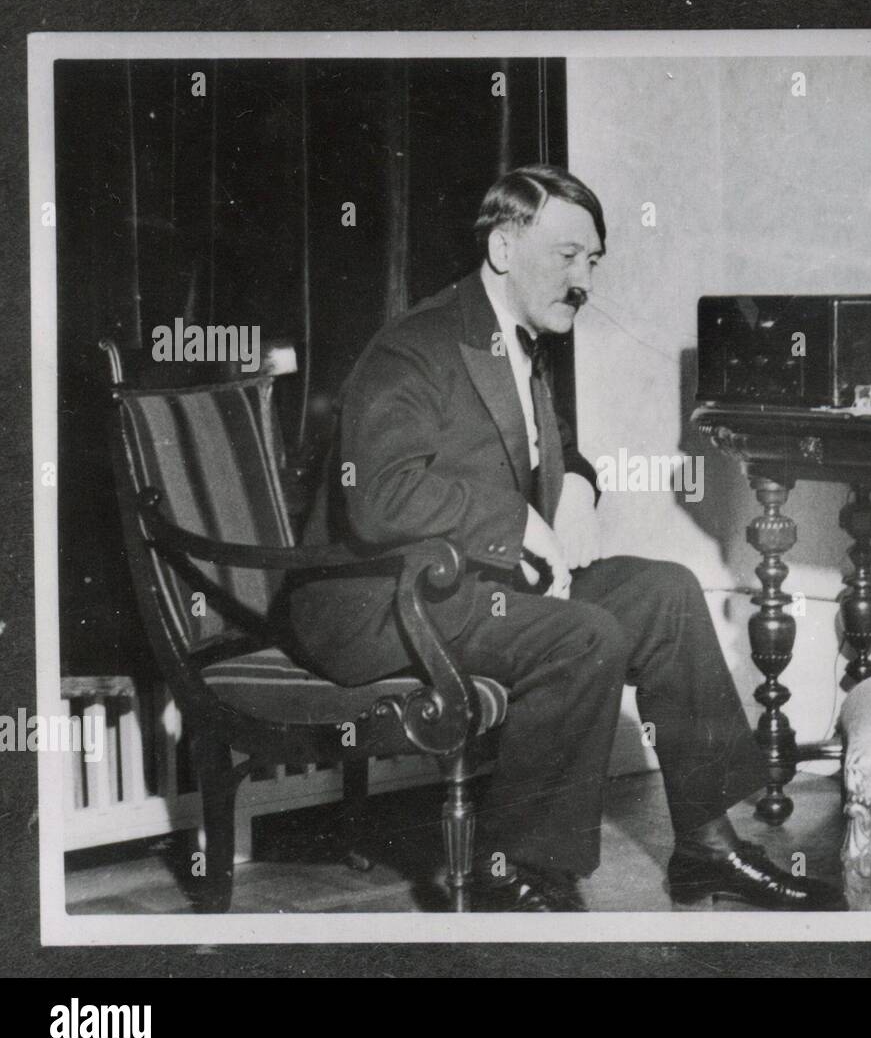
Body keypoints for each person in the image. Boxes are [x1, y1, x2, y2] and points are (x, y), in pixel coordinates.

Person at [285, 164, 840, 912]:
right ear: (505, 248)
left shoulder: (523, 340)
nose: (583, 280)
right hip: (386, 599)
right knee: (582, 636)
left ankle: (708, 846)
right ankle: (515, 869)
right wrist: (514, 524)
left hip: (473, 584)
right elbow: (377, 495)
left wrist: (578, 481)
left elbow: (543, 448)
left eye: (593, 261)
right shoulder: (415, 345)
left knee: (668, 593)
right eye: (567, 255)